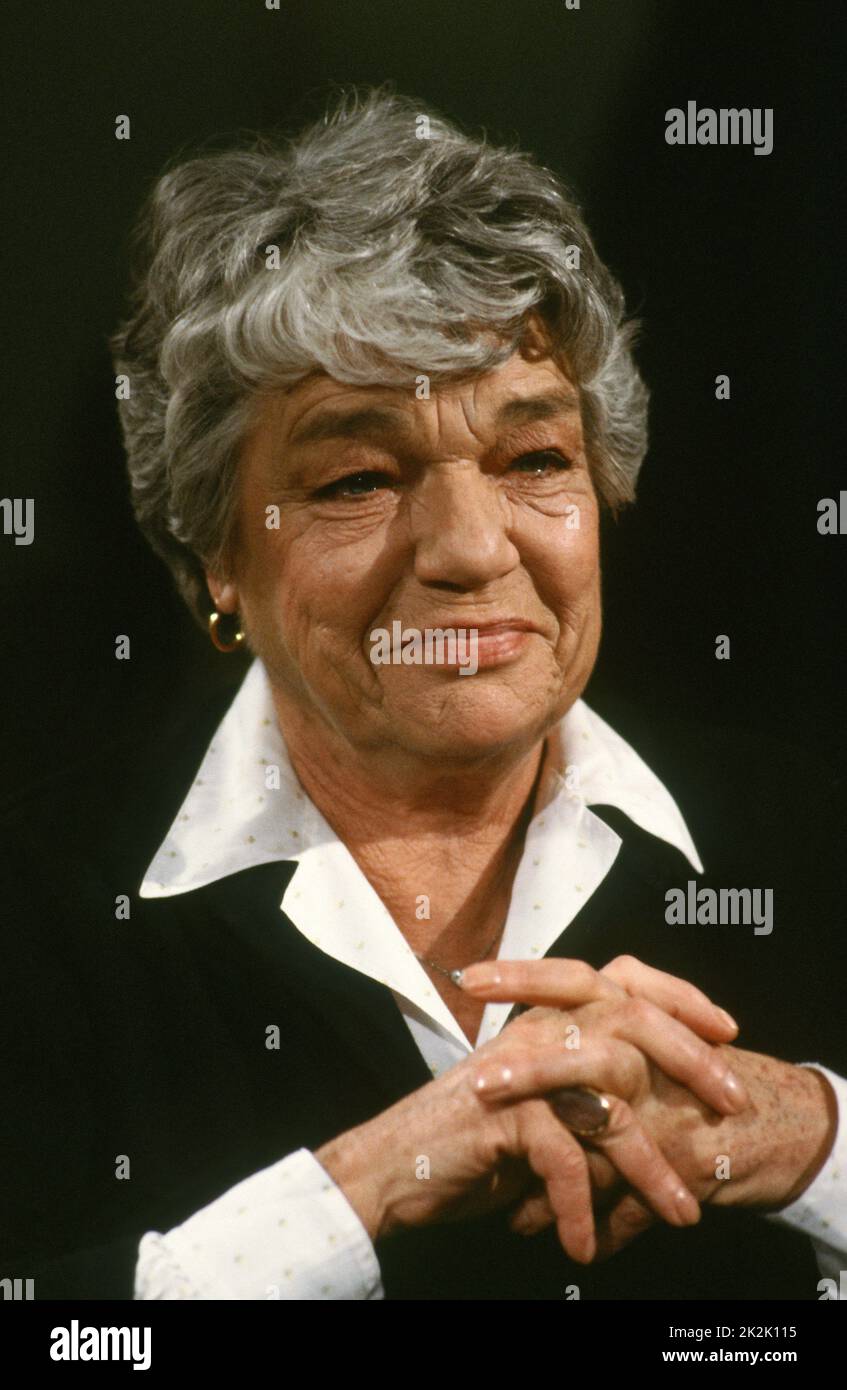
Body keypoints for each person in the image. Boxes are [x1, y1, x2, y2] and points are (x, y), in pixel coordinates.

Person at [2, 86, 844, 1301]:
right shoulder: (39, 918)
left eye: (535, 458)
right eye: (356, 478)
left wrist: (802, 1134)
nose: (467, 545)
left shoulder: (810, 841)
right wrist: (362, 1189)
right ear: (215, 558)